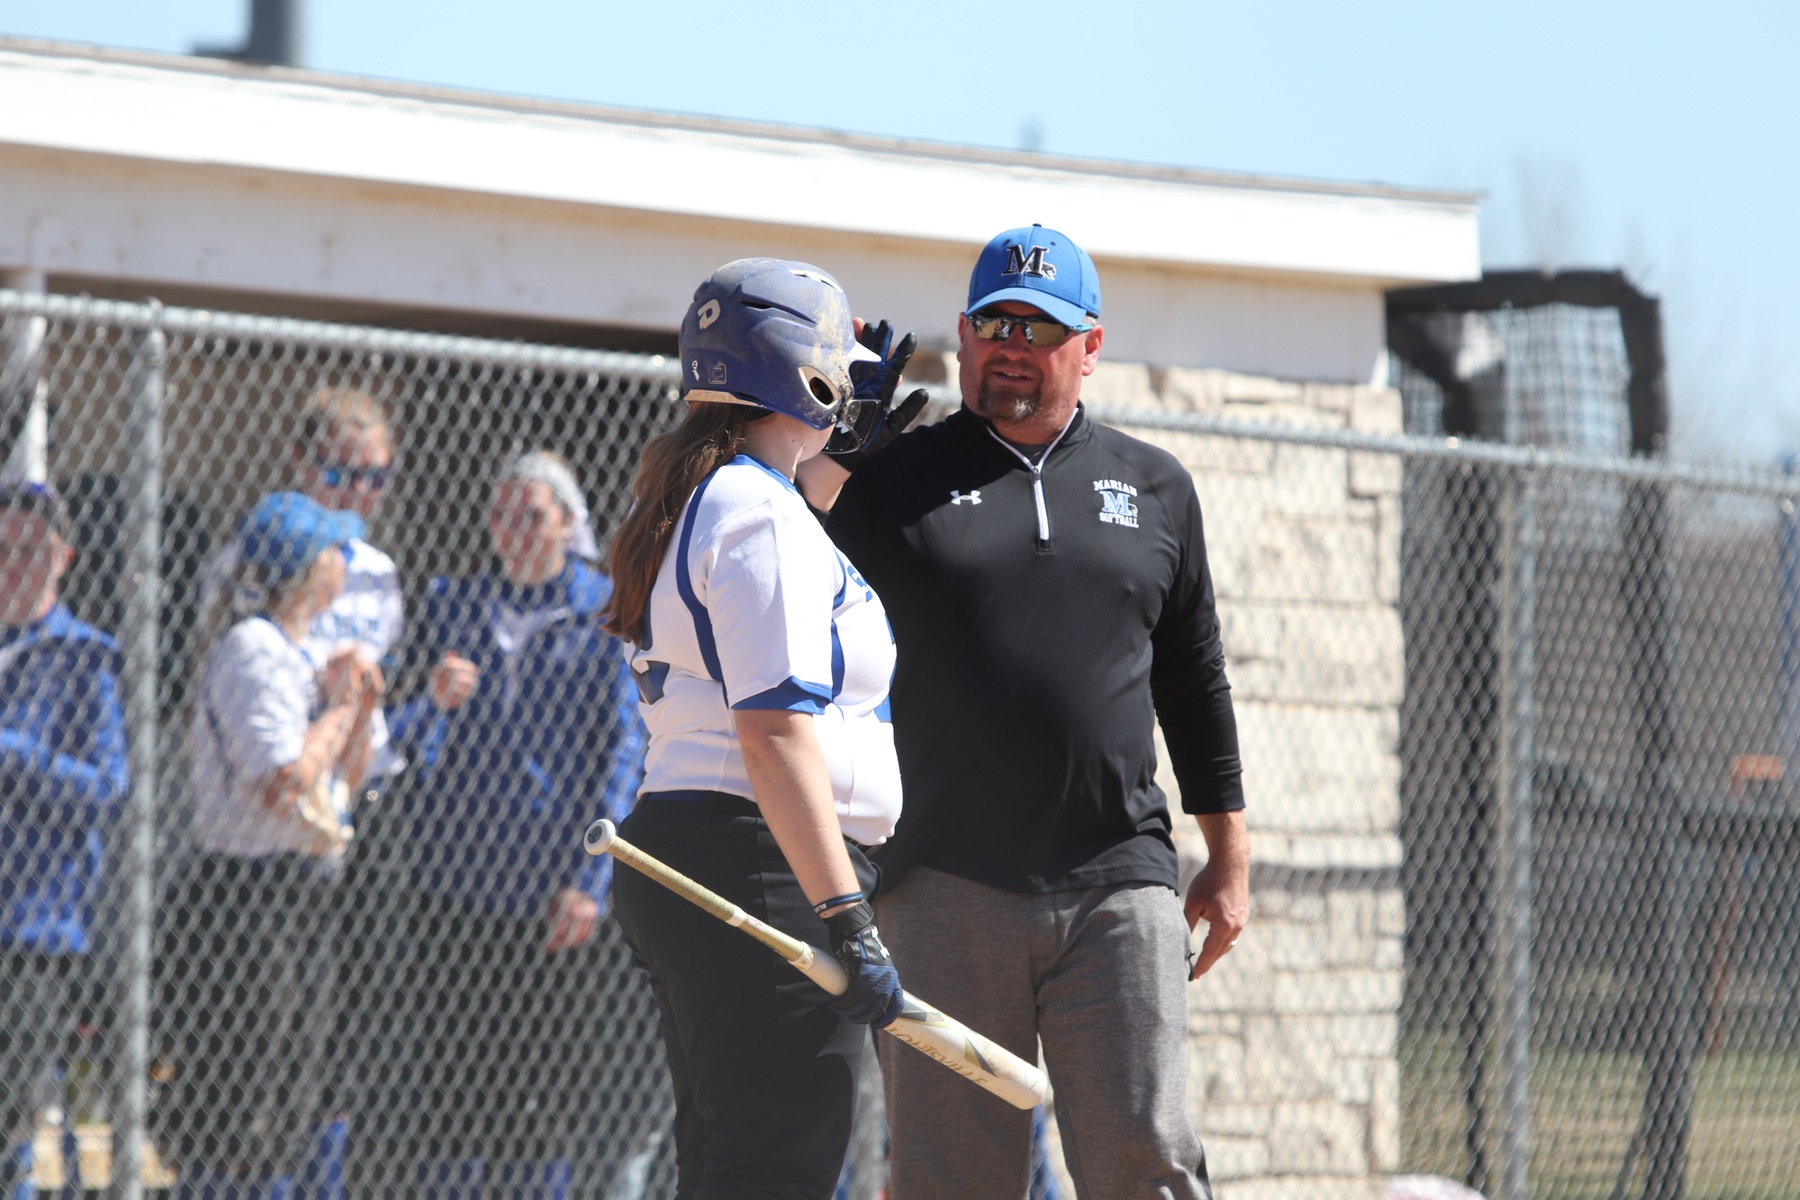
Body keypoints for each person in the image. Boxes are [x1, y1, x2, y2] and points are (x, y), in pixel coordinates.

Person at [799, 224, 1251, 1199]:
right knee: (950, 1177)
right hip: (943, 885)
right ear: (962, 336)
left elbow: (1193, 676)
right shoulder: (896, 479)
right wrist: (828, 464)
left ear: (1089, 347)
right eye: (995, 321)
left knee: (1150, 1157)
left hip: (1117, 882)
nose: (1014, 343)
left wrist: (1230, 857)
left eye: (1040, 328)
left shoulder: (1157, 488)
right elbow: (797, 596)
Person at [603, 258, 907, 1199]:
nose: (851, 386)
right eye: (833, 367)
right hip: (762, 862)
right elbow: (775, 734)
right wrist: (844, 918)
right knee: (773, 1175)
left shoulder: (721, 491)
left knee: (733, 1168)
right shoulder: (753, 507)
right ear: (793, 370)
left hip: (715, 849)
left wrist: (832, 454)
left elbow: (787, 546)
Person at [382, 450, 653, 1200]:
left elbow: (620, 756)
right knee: (448, 1092)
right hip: (453, 883)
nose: (513, 531)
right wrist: (429, 698)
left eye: (532, 515)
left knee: (538, 1096)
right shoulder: (450, 603)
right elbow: (398, 729)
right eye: (500, 514)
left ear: (570, 525)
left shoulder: (605, 609)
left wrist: (588, 881)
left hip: (548, 893)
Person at [154, 491, 379, 1200]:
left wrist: (361, 708)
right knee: (236, 1108)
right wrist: (340, 709)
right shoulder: (253, 647)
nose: (344, 560)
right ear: (308, 569)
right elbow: (285, 781)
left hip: (303, 892)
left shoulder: (304, 649)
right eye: (332, 551)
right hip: (245, 901)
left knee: (286, 1101)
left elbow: (346, 782)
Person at [0, 481, 128, 1198]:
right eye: (2, 550)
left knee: (12, 1116)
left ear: (64, 559)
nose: (14, 565)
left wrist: (14, 752)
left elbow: (108, 787)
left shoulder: (86, 658)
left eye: (32, 551)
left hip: (32, 927)